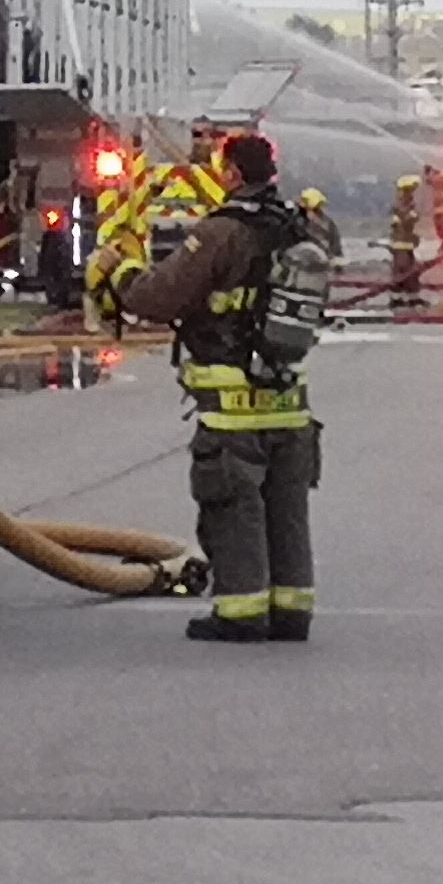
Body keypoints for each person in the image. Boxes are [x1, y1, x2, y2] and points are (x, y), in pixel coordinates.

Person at [120, 127, 329, 644]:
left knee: (234, 507)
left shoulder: (220, 233)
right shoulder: (300, 230)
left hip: (233, 398)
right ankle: (292, 610)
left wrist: (122, 276)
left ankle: (240, 613)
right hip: (288, 397)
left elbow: (159, 296)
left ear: (232, 173)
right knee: (287, 510)